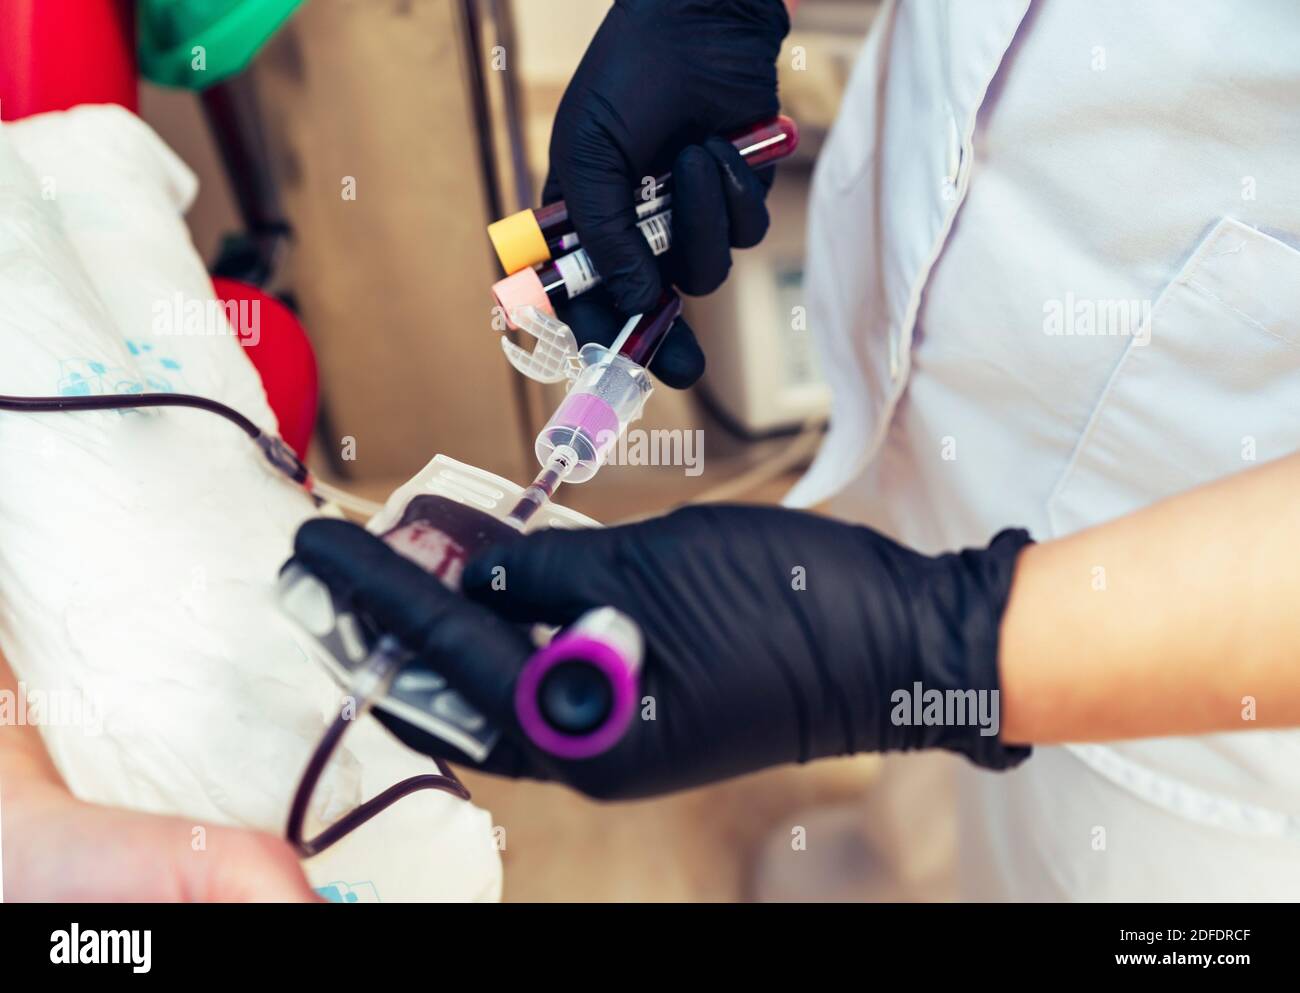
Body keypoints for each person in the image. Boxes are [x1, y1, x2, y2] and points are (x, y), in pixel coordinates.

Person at [299, 0, 1300, 900]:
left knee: (1090, 845)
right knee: (922, 786)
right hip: (960, 345)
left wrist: (929, 646)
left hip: (1214, 595)